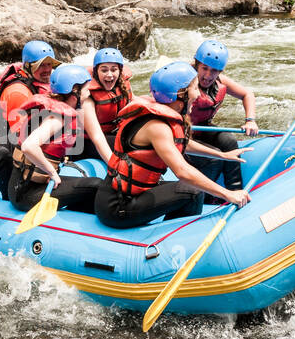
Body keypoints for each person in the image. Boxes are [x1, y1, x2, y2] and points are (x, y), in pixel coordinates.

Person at [95, 61, 248, 229]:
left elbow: (181, 143)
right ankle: (174, 243)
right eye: (194, 88)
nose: (197, 95)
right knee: (193, 192)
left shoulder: (161, 119)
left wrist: (222, 155)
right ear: (180, 94)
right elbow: (182, 171)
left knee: (190, 189)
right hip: (118, 207)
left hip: (129, 194)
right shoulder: (157, 127)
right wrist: (228, 194)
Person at [6, 64, 104, 213]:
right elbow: (28, 146)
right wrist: (52, 173)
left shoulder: (55, 107)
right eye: (86, 90)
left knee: (88, 185)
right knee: (95, 185)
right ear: (74, 93)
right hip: (27, 194)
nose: (88, 93)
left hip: (22, 185)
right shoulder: (57, 118)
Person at [185, 39, 258, 192]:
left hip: (202, 128)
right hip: (182, 134)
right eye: (204, 68)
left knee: (230, 141)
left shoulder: (220, 81)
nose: (208, 75)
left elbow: (247, 94)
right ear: (196, 65)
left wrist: (250, 120)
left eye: (214, 71)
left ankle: (236, 190)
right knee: (214, 158)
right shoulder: (183, 81)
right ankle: (205, 195)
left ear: (220, 72)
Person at [0, 40, 60, 145]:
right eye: (41, 65)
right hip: (12, 149)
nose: (47, 69)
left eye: (49, 64)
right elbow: (22, 138)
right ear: (28, 66)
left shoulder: (35, 80)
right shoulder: (17, 92)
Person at [79, 47, 133, 161]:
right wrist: (112, 165)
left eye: (114, 70)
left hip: (113, 133)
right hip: (87, 143)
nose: (109, 75)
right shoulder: (88, 97)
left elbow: (134, 104)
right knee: (128, 145)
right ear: (96, 72)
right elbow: (96, 136)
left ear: (120, 71)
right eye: (104, 70)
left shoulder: (122, 84)